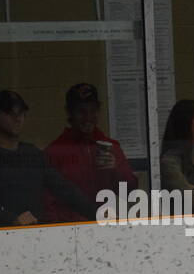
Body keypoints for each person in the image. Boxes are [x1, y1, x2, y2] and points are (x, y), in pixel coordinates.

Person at [0, 90, 97, 228]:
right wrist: (11, 219)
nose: (18, 118)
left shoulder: (32, 153)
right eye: (11, 114)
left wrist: (97, 213)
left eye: (21, 113)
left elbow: (64, 189)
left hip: (36, 234)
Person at [43, 82, 137, 224]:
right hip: (70, 231)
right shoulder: (55, 151)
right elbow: (47, 203)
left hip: (106, 227)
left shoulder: (112, 147)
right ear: (69, 112)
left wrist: (116, 169)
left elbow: (130, 192)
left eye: (93, 111)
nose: (88, 117)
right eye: (81, 111)